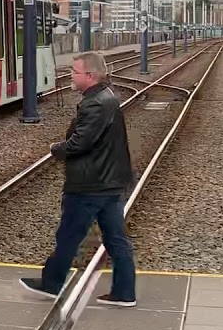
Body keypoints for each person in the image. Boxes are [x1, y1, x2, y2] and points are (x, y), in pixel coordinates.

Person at [20, 51, 137, 307]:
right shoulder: (105, 98)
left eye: (74, 71)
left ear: (90, 75)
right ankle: (125, 292)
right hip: (110, 182)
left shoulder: (95, 103)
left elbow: (80, 143)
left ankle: (51, 285)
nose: (70, 75)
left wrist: (55, 149)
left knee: (69, 236)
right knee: (116, 239)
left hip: (90, 184)